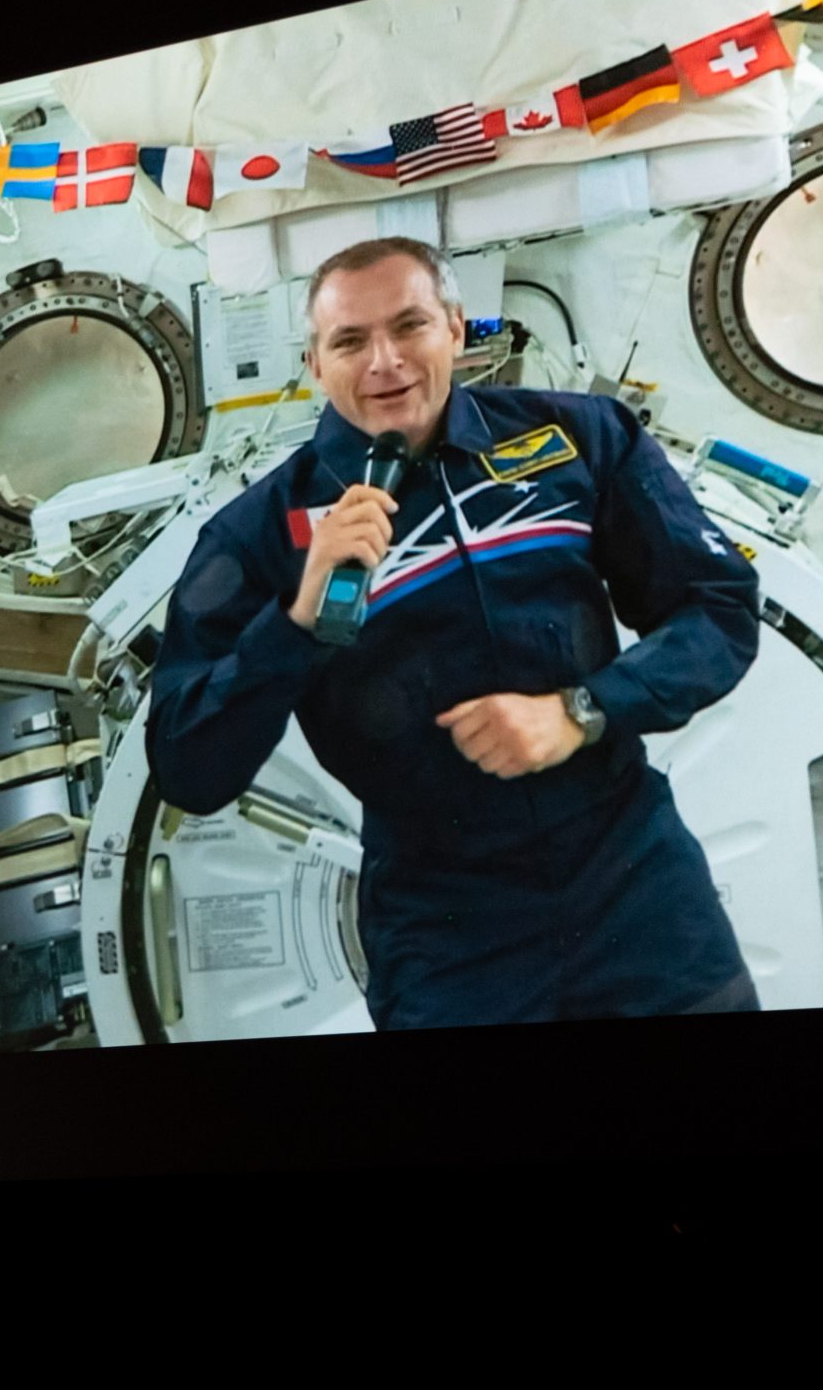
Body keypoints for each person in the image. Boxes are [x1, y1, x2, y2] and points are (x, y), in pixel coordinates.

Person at [148, 237, 764, 1027]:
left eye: (409, 326)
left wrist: (583, 709)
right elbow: (186, 765)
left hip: (634, 885)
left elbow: (716, 605)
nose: (385, 361)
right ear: (314, 363)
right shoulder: (255, 536)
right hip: (444, 928)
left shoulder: (580, 437)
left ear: (456, 327)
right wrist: (295, 621)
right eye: (349, 341)